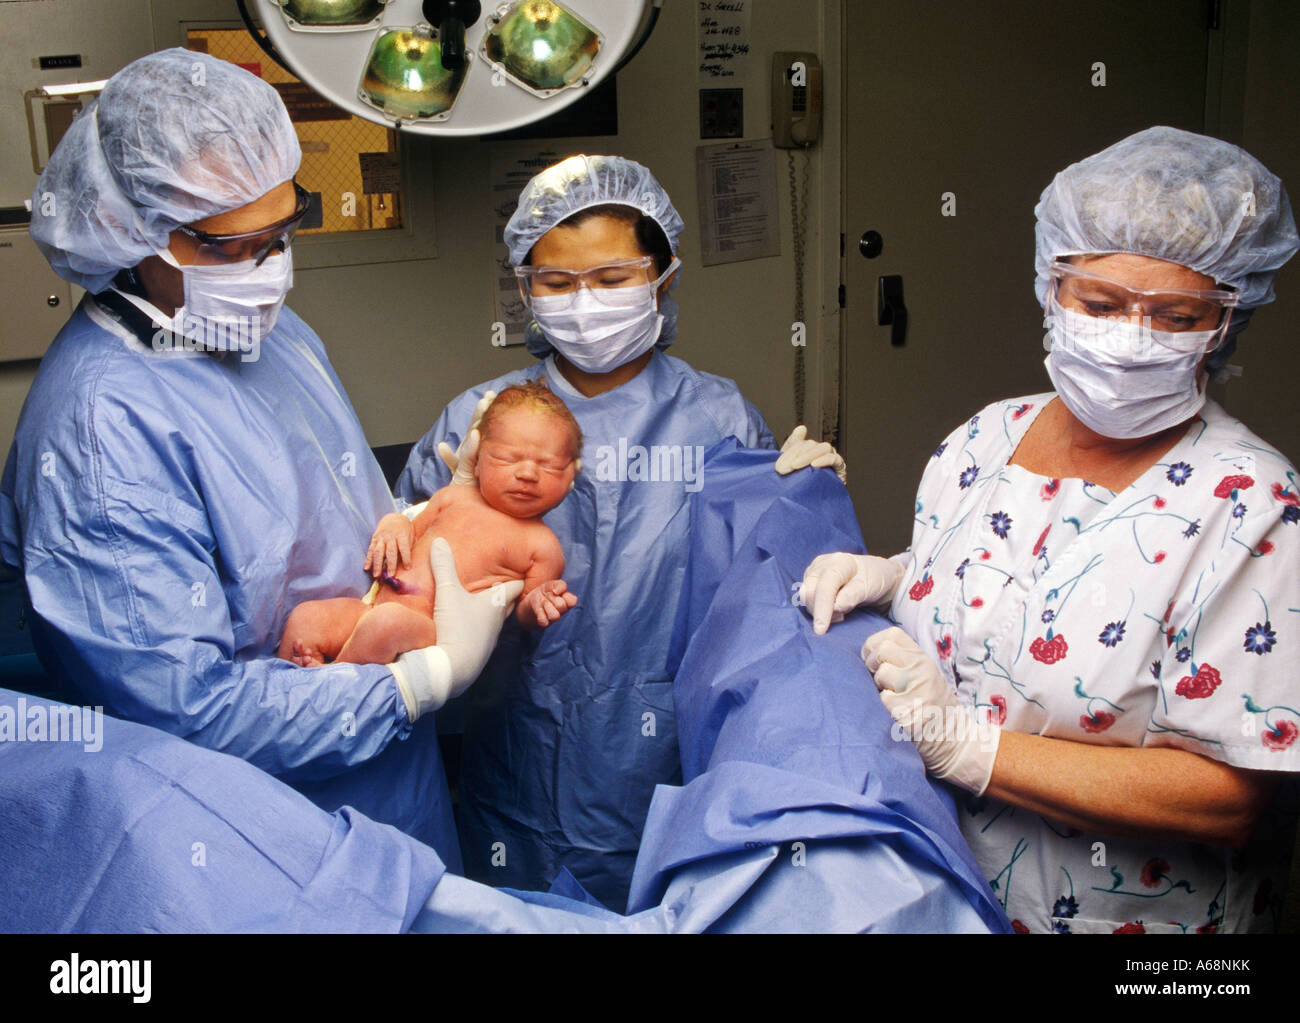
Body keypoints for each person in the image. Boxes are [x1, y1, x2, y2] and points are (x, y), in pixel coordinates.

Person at [0, 49, 519, 860]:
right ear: (133, 231)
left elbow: (325, 522)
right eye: (233, 246)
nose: (272, 269)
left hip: (389, 794)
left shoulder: (267, 332)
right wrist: (413, 683)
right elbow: (184, 715)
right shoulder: (100, 430)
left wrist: (432, 514)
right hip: (257, 839)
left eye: (283, 232)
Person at [801, 126, 1300, 933]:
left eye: (1175, 315)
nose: (1132, 336)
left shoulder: (1255, 504)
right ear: (1051, 288)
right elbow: (1022, 583)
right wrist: (901, 576)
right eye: (1099, 303)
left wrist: (970, 748)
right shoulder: (985, 437)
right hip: (942, 882)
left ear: (1225, 322)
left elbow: (1229, 797)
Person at [397, 154, 846, 910]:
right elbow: (399, 596)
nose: (586, 302)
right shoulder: (477, 424)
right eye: (558, 282)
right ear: (525, 288)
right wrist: (440, 518)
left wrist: (808, 505)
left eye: (611, 280)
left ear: (663, 279)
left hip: (666, 768)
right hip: (515, 766)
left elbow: (768, 610)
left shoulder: (720, 422)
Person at [279, 381, 581, 666]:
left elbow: (524, 616)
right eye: (507, 458)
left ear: (571, 476)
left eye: (549, 465)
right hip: (373, 606)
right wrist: (394, 523)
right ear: (476, 461)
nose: (528, 473)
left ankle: (335, 685)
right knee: (305, 618)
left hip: (427, 633)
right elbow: (410, 532)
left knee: (386, 624)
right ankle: (297, 694)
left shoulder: (542, 545)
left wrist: (539, 601)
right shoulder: (453, 497)